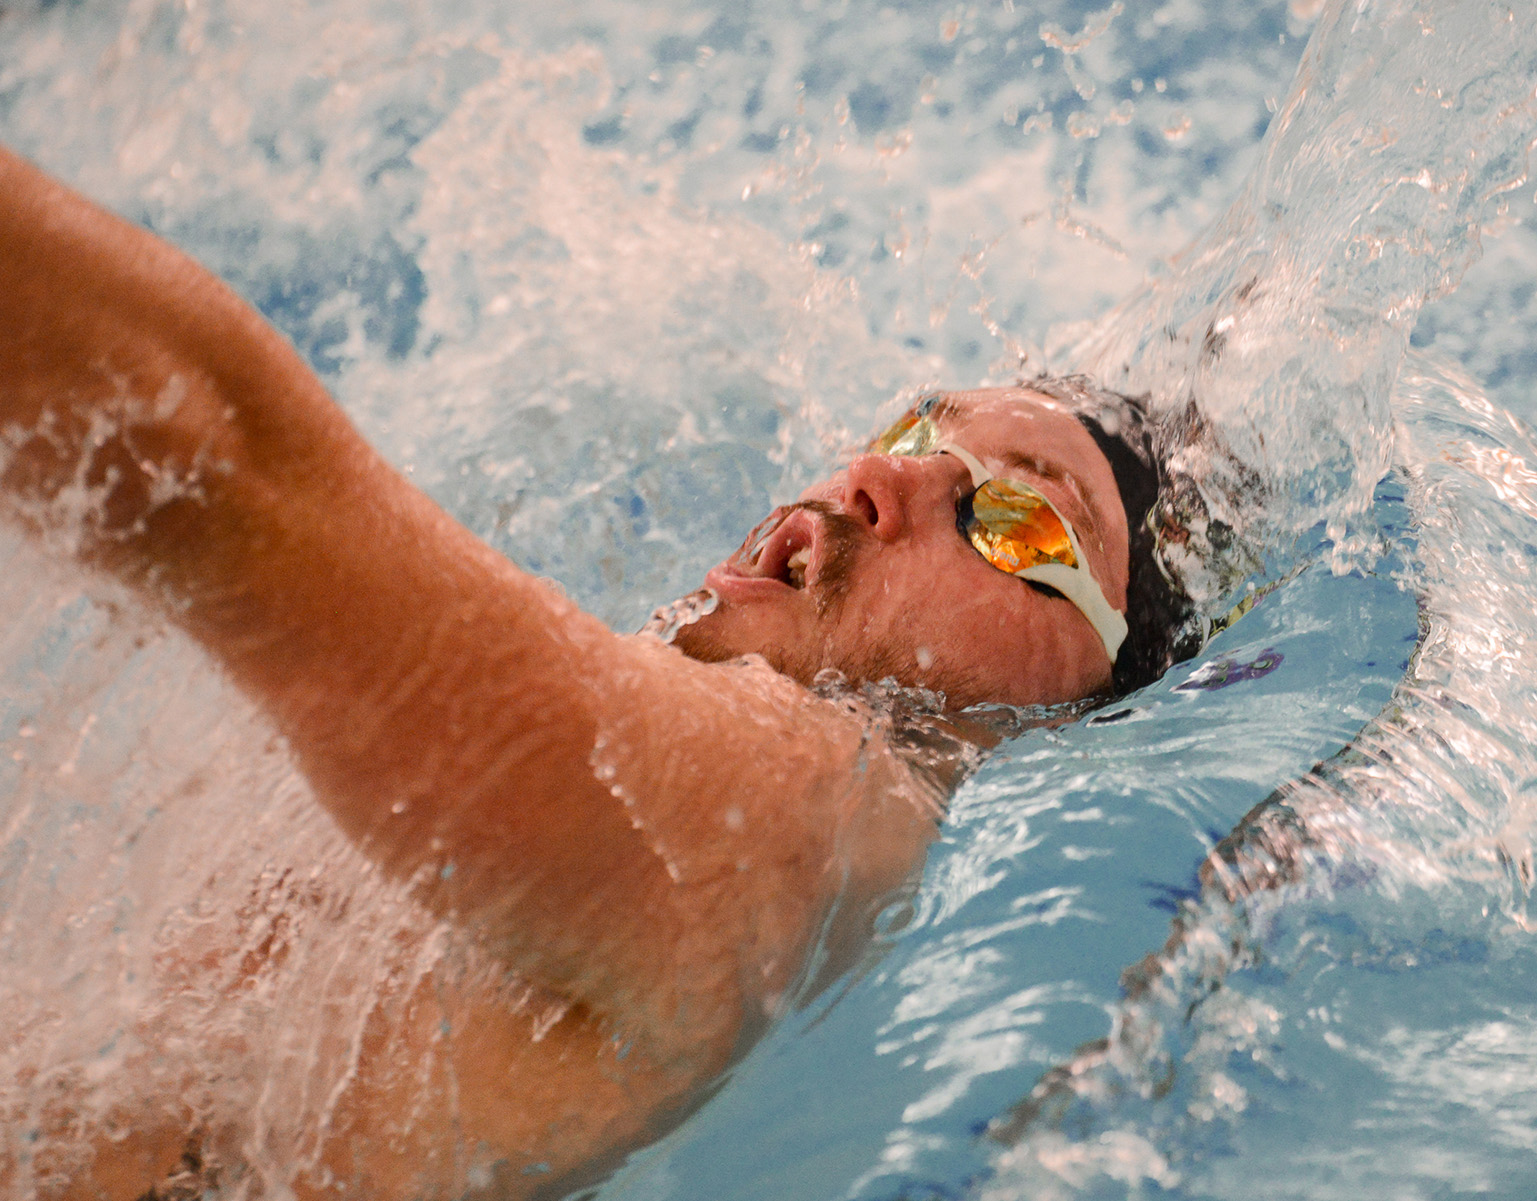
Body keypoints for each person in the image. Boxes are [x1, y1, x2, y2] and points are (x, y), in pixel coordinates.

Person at [0, 146, 1191, 1200]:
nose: (883, 479)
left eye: (1025, 520)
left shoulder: (799, 806)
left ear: (1087, 701)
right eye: (914, 430)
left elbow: (205, 452)